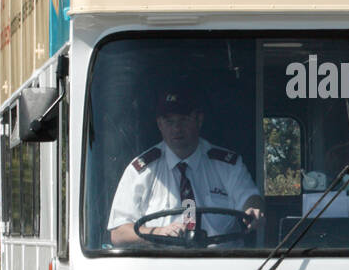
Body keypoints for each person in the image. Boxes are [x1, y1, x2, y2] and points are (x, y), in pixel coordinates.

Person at [108, 85, 264, 245]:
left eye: (183, 119)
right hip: (159, 267)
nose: (177, 128)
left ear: (199, 120)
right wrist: (157, 233)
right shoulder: (142, 170)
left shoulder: (227, 165)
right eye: (169, 121)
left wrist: (252, 210)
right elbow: (118, 234)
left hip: (220, 264)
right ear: (160, 124)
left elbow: (250, 198)